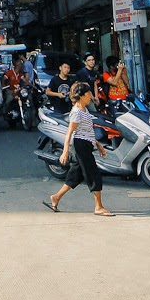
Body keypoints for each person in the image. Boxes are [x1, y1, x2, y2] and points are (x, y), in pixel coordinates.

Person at [42, 81, 115, 217]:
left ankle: (56, 197)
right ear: (81, 95)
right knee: (94, 174)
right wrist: (64, 152)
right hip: (80, 146)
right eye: (88, 94)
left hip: (86, 144)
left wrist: (98, 145)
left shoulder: (84, 109)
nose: (91, 96)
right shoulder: (76, 112)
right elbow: (70, 133)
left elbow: (87, 130)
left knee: (76, 175)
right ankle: (98, 207)